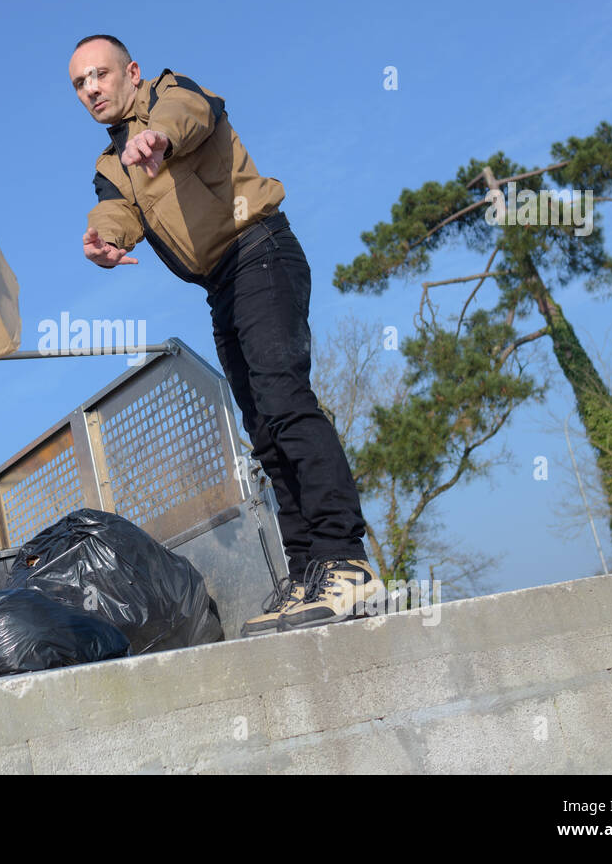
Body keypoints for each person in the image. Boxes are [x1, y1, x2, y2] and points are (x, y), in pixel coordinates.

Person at [69, 34, 385, 635]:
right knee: (263, 428)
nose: (91, 90)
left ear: (130, 72)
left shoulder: (173, 93)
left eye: (100, 75)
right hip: (221, 283)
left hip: (261, 253)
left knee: (286, 403)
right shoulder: (111, 164)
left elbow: (189, 117)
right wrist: (103, 238)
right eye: (80, 84)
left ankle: (347, 561)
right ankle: (309, 571)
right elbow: (115, 208)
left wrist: (157, 135)